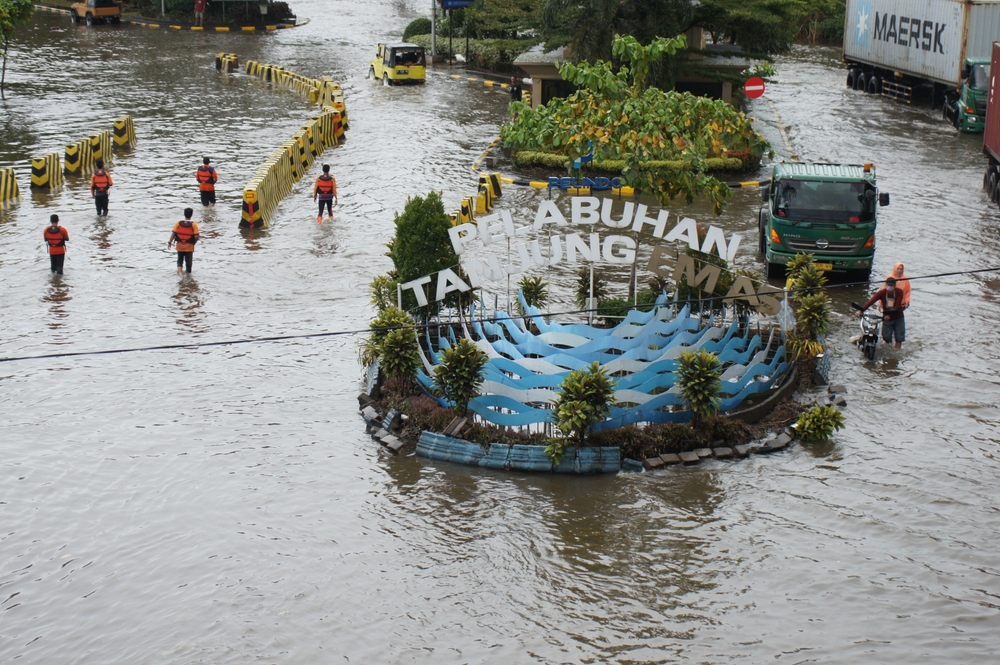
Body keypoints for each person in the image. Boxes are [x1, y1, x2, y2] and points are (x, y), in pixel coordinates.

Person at [856, 276, 905, 349]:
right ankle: (890, 351)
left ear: (895, 286)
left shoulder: (899, 292)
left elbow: (897, 306)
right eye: (888, 285)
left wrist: (889, 316)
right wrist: (861, 310)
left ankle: (897, 351)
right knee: (886, 337)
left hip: (898, 318)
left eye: (891, 285)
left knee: (899, 338)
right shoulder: (882, 293)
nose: (890, 287)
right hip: (886, 318)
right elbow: (871, 301)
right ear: (886, 285)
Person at [168, 208, 200, 274]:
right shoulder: (194, 224)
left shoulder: (178, 223)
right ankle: (188, 277)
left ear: (184, 214)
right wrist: (193, 243)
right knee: (188, 263)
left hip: (179, 245)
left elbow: (173, 233)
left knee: (180, 260)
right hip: (189, 247)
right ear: (191, 215)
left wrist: (169, 242)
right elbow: (196, 236)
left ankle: (179, 273)